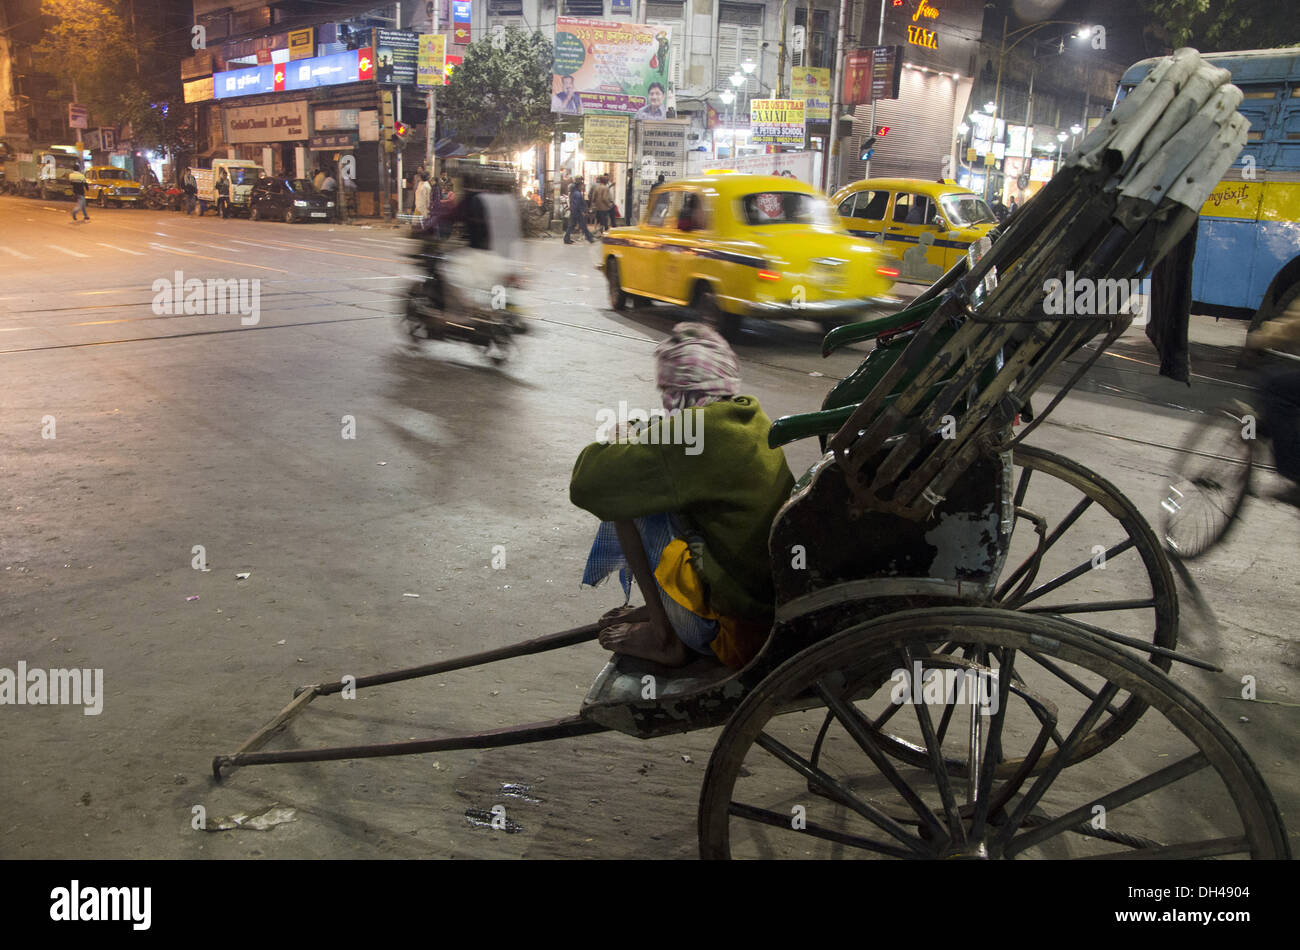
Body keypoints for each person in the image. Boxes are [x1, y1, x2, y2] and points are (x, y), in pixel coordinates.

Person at [570, 324, 796, 668]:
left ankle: (665, 635)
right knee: (645, 485)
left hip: (732, 633)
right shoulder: (747, 415)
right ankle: (663, 609)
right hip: (767, 609)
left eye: (667, 388)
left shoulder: (694, 436)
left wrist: (622, 432)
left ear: (681, 389)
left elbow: (587, 483)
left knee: (620, 493)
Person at [564, 177, 594, 244]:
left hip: (574, 212)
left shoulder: (574, 192)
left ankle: (566, 238)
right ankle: (590, 238)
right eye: (583, 186)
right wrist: (582, 211)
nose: (583, 187)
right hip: (577, 212)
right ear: (579, 186)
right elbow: (577, 204)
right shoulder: (577, 194)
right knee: (583, 226)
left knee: (572, 225)